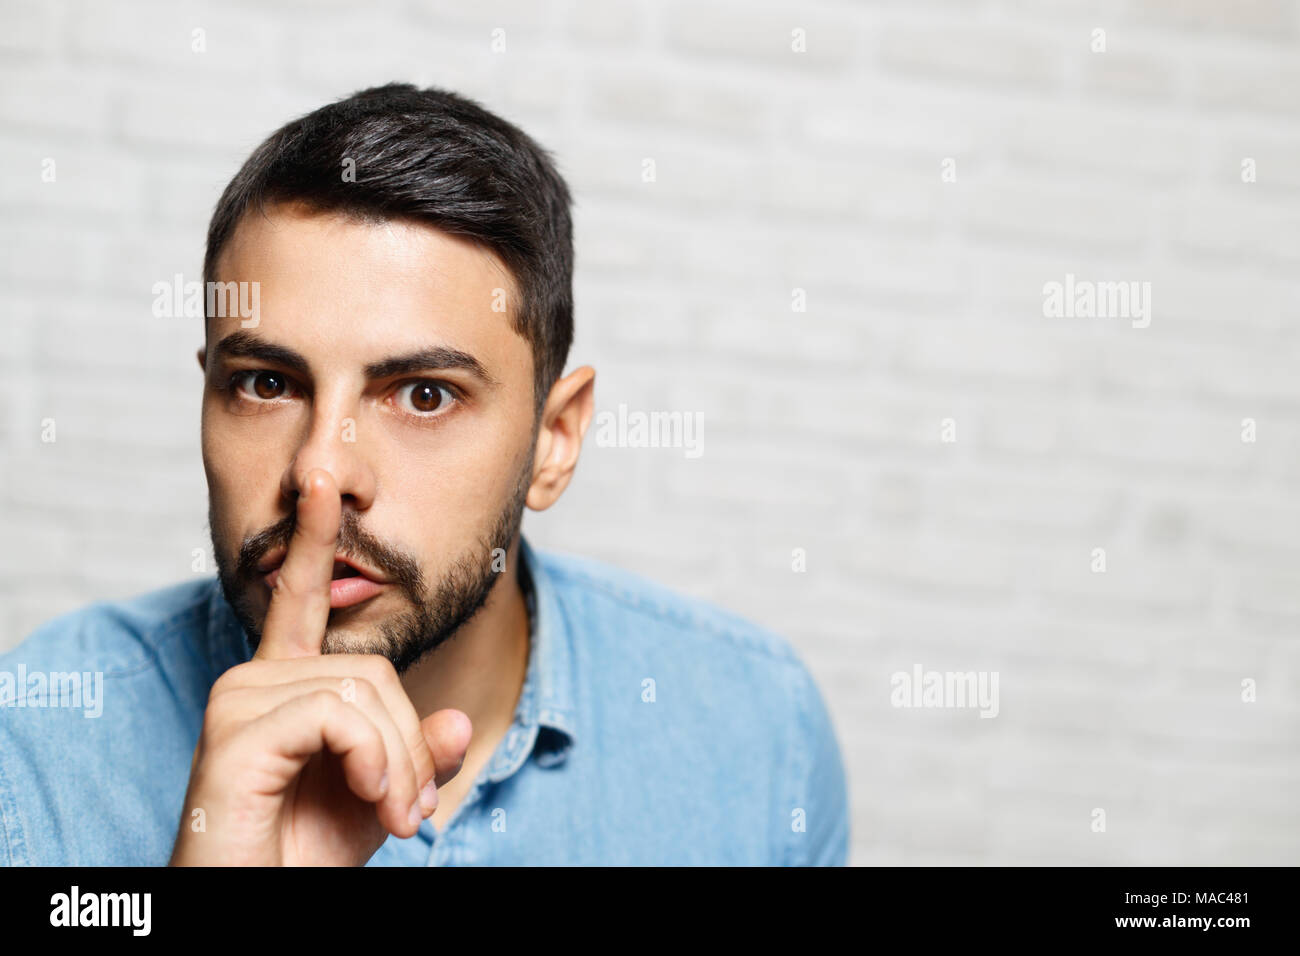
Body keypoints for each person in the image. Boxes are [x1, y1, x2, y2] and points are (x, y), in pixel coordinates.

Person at [0, 84, 849, 866]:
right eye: (266, 384)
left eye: (424, 394)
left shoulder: (757, 732)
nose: (320, 474)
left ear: (553, 440)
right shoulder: (37, 747)